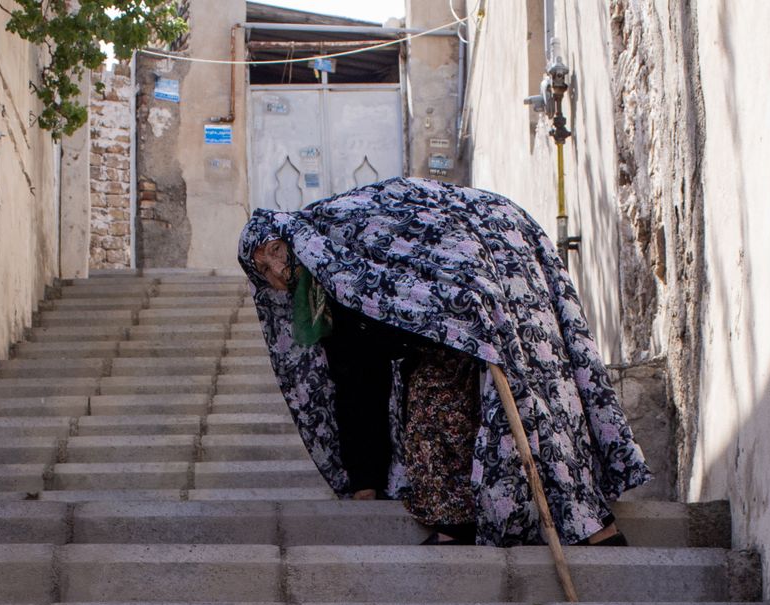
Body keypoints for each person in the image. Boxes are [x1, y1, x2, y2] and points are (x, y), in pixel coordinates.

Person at [239, 178, 650, 545]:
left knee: (532, 403)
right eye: (262, 268)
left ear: (293, 238)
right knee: (433, 409)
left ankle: (592, 529)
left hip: (491, 270)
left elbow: (438, 241)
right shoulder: (327, 292)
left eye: (276, 251)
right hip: (441, 333)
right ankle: (457, 525)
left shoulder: (347, 235)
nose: (277, 270)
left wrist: (473, 298)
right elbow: (357, 379)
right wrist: (364, 482)